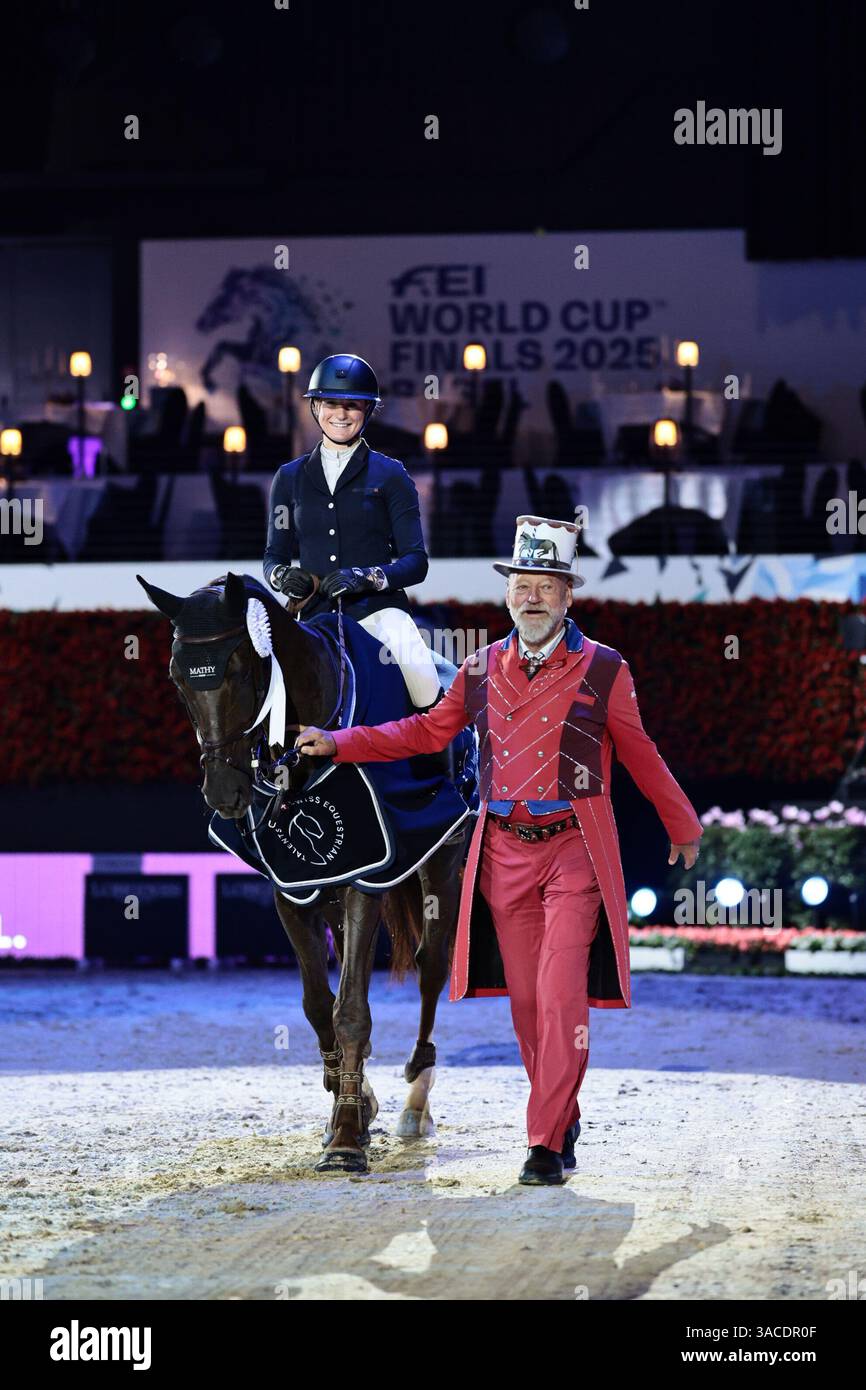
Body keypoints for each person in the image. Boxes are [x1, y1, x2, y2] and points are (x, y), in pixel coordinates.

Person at [295, 514, 703, 1186]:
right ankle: (561, 1109)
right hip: (504, 857)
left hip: (574, 852)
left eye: (547, 584)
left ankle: (543, 1143)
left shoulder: (605, 669)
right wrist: (342, 743)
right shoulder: (481, 670)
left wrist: (681, 824)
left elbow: (641, 754)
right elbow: (424, 733)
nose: (533, 596)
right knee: (527, 1009)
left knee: (561, 994)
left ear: (569, 595)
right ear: (508, 595)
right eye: (523, 585)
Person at [263, 353, 441, 709]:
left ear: (368, 410)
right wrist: (284, 577)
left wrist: (367, 577)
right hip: (311, 617)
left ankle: (443, 760)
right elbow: (273, 557)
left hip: (379, 613)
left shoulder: (391, 475)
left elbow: (415, 562)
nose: (341, 415)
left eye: (352, 405)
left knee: (422, 681)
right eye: (331, 403)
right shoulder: (289, 478)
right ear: (316, 406)